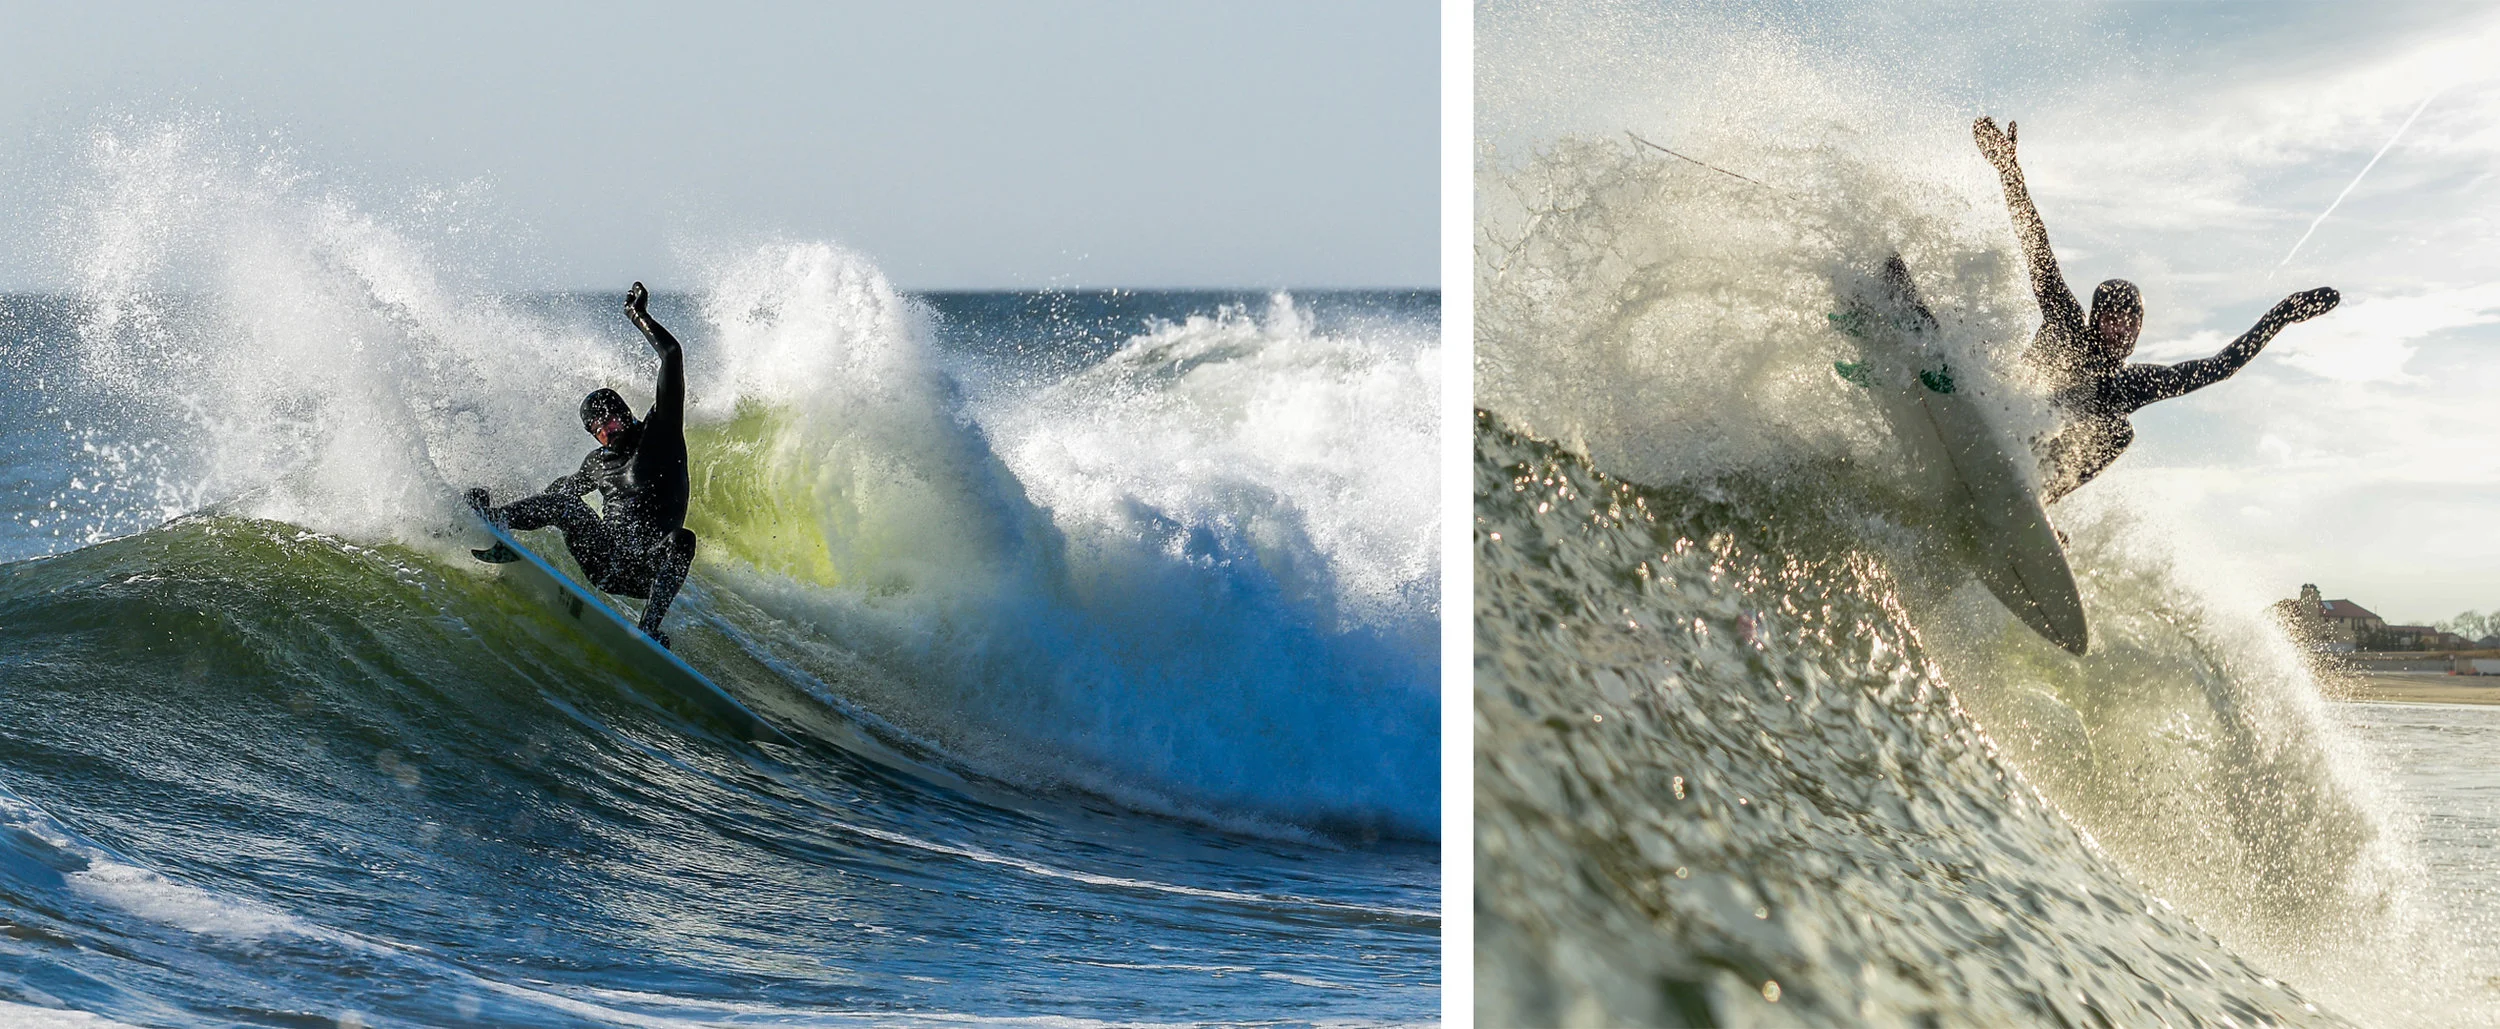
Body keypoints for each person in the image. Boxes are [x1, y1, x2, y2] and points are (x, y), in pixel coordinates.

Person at [1974, 116, 2341, 502]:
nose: (2124, 330)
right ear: (2095, 318)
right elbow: (2036, 247)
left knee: (2118, 431)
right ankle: (1946, 363)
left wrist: (2280, 315)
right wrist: (2008, 171)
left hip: (2026, 455)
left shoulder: (2128, 386)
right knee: (1986, 337)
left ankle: (2038, 497)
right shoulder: (2067, 322)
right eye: (2114, 318)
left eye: (2133, 323)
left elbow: (2219, 367)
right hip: (1999, 411)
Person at [468, 282, 696, 648]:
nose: (603, 430)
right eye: (595, 428)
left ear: (624, 413)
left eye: (607, 420)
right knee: (564, 504)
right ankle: (494, 520)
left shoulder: (661, 433)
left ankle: (648, 629)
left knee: (682, 540)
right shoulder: (597, 464)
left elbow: (672, 355)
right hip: (605, 560)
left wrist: (638, 316)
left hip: (644, 570)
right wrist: (513, 500)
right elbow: (558, 496)